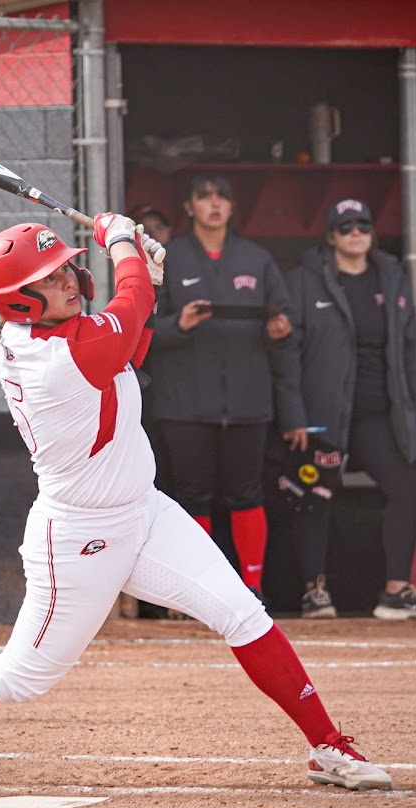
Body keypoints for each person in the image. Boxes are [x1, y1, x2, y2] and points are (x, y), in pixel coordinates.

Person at [0, 214, 391, 791]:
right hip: (78, 536)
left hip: (143, 512)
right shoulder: (51, 357)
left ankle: (327, 746)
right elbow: (128, 317)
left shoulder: (76, 339)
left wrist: (143, 270)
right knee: (23, 676)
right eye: (48, 278)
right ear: (19, 302)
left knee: (243, 614)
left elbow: (131, 347)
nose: (68, 279)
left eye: (66, 267)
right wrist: (121, 241)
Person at [281, 199, 416, 621]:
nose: (355, 232)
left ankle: (396, 592)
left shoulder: (390, 277)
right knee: (315, 496)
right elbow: (287, 352)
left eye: (363, 224)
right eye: (345, 226)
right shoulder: (306, 280)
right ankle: (314, 591)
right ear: (330, 236)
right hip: (323, 414)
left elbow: (413, 350)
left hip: (379, 414)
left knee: (408, 487)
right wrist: (293, 414)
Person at [148, 173, 295, 600]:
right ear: (189, 207)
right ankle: (200, 592)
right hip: (185, 403)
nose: (214, 204)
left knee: (247, 494)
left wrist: (279, 330)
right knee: (193, 496)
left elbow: (285, 327)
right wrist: (180, 325)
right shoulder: (168, 257)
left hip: (248, 401)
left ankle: (251, 587)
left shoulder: (257, 258)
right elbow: (141, 331)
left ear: (232, 207)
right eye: (204, 197)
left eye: (222, 197)